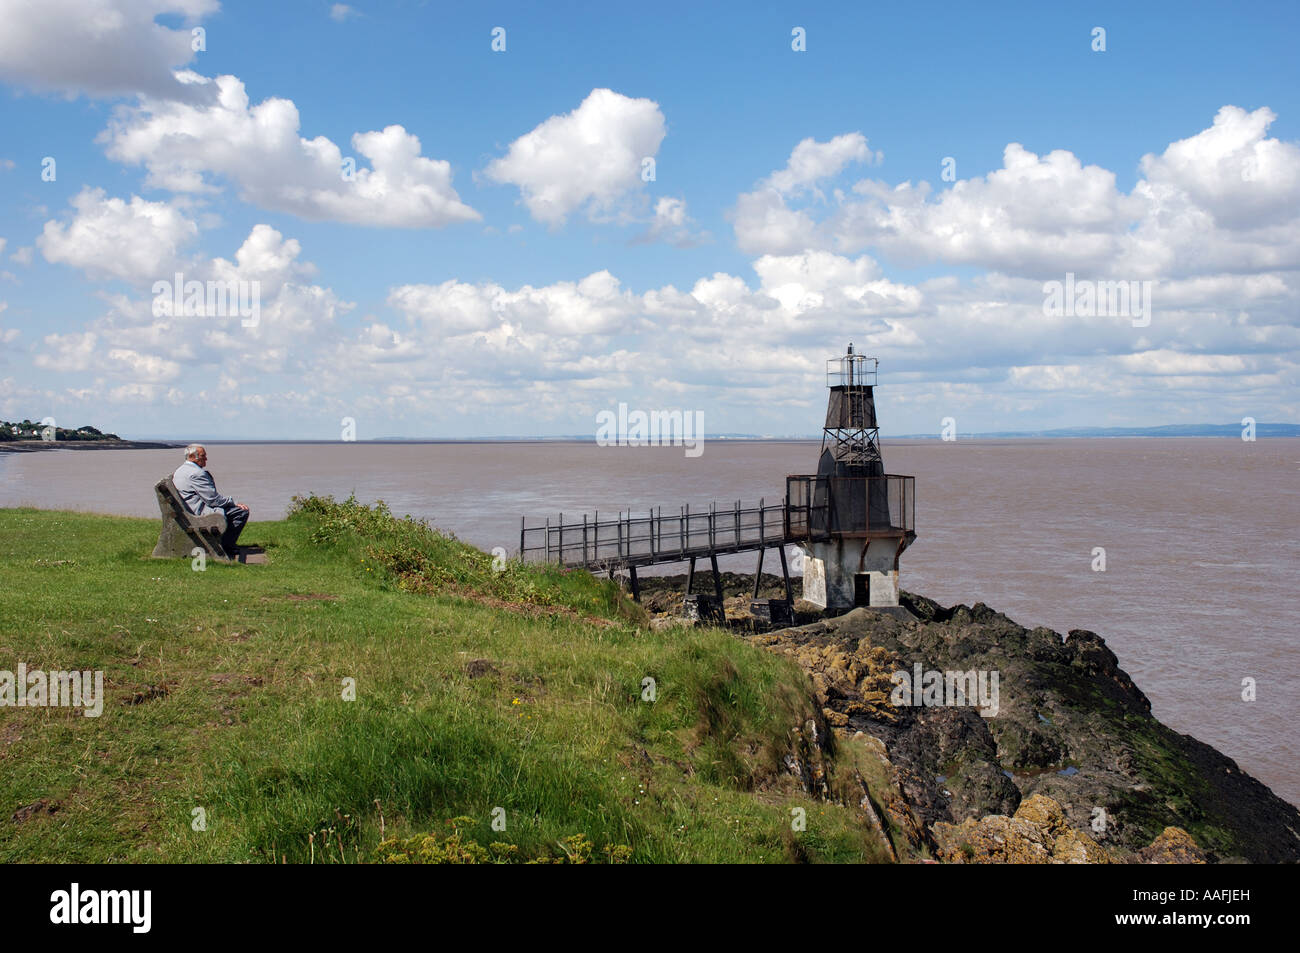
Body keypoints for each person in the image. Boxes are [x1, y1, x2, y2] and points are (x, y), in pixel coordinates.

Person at [173, 444, 250, 554]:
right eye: (203, 456)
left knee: (233, 509)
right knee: (241, 512)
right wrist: (233, 502)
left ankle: (224, 544)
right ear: (193, 456)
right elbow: (213, 500)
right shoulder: (197, 473)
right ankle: (225, 547)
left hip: (187, 510)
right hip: (197, 513)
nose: (206, 459)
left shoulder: (180, 470)